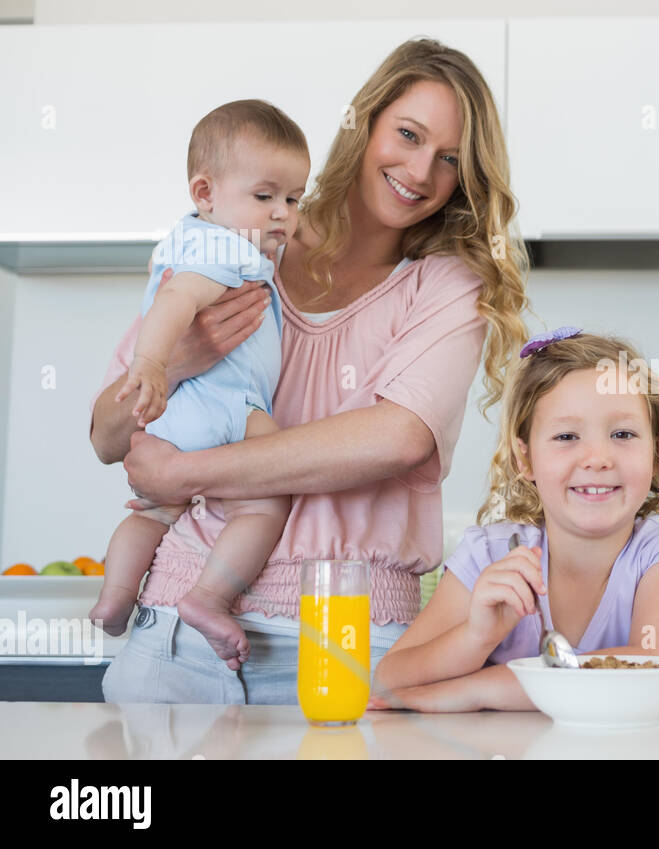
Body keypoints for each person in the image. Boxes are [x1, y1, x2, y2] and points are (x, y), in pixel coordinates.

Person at [89, 38, 529, 704]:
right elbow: (106, 436)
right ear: (366, 121)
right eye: (407, 134)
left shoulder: (446, 284)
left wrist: (186, 473)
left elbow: (395, 437)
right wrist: (177, 362)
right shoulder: (245, 233)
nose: (419, 170)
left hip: (351, 643)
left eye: (449, 160)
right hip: (176, 630)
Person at [370, 330, 659, 712]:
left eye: (623, 433)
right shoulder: (491, 555)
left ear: (655, 450)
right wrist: (476, 637)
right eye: (566, 436)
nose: (597, 457)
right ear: (525, 458)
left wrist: (478, 689)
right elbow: (389, 679)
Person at [90, 101, 308, 672]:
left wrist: (154, 374)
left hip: (173, 419)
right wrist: (154, 363)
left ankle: (115, 596)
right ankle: (209, 597)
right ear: (205, 193)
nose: (282, 213)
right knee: (267, 496)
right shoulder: (224, 246)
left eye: (293, 198)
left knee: (152, 514)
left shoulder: (196, 238)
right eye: (265, 197)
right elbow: (178, 300)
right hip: (222, 406)